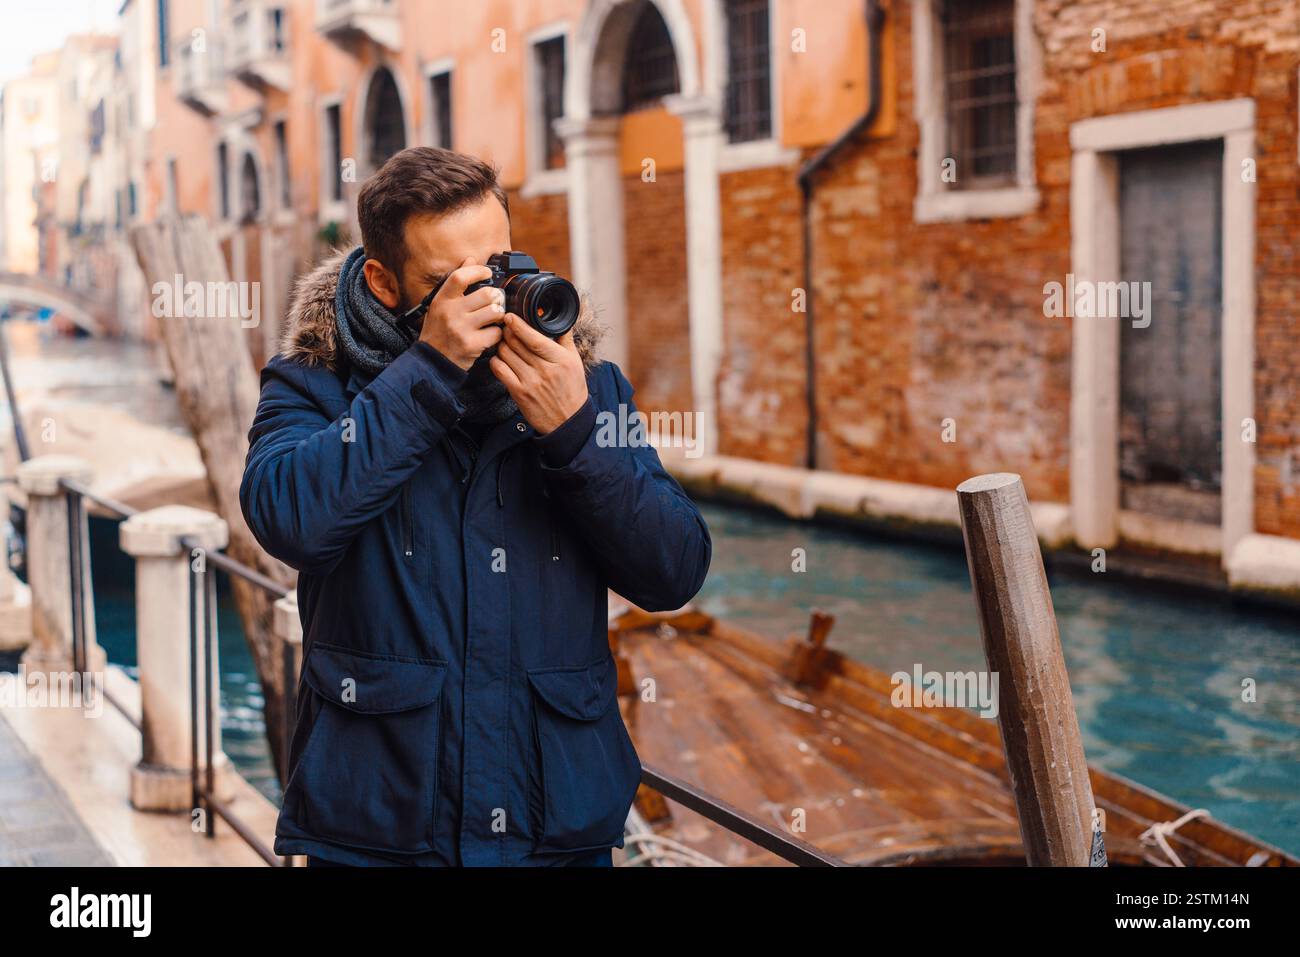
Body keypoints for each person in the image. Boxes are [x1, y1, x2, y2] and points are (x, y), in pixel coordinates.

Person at [240, 147, 711, 866]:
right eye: (449, 282)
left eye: (497, 267)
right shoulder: (315, 382)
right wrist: (428, 373)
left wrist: (576, 434)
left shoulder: (588, 387)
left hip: (553, 832)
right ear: (383, 281)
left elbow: (673, 570)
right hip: (380, 834)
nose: (489, 298)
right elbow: (288, 518)